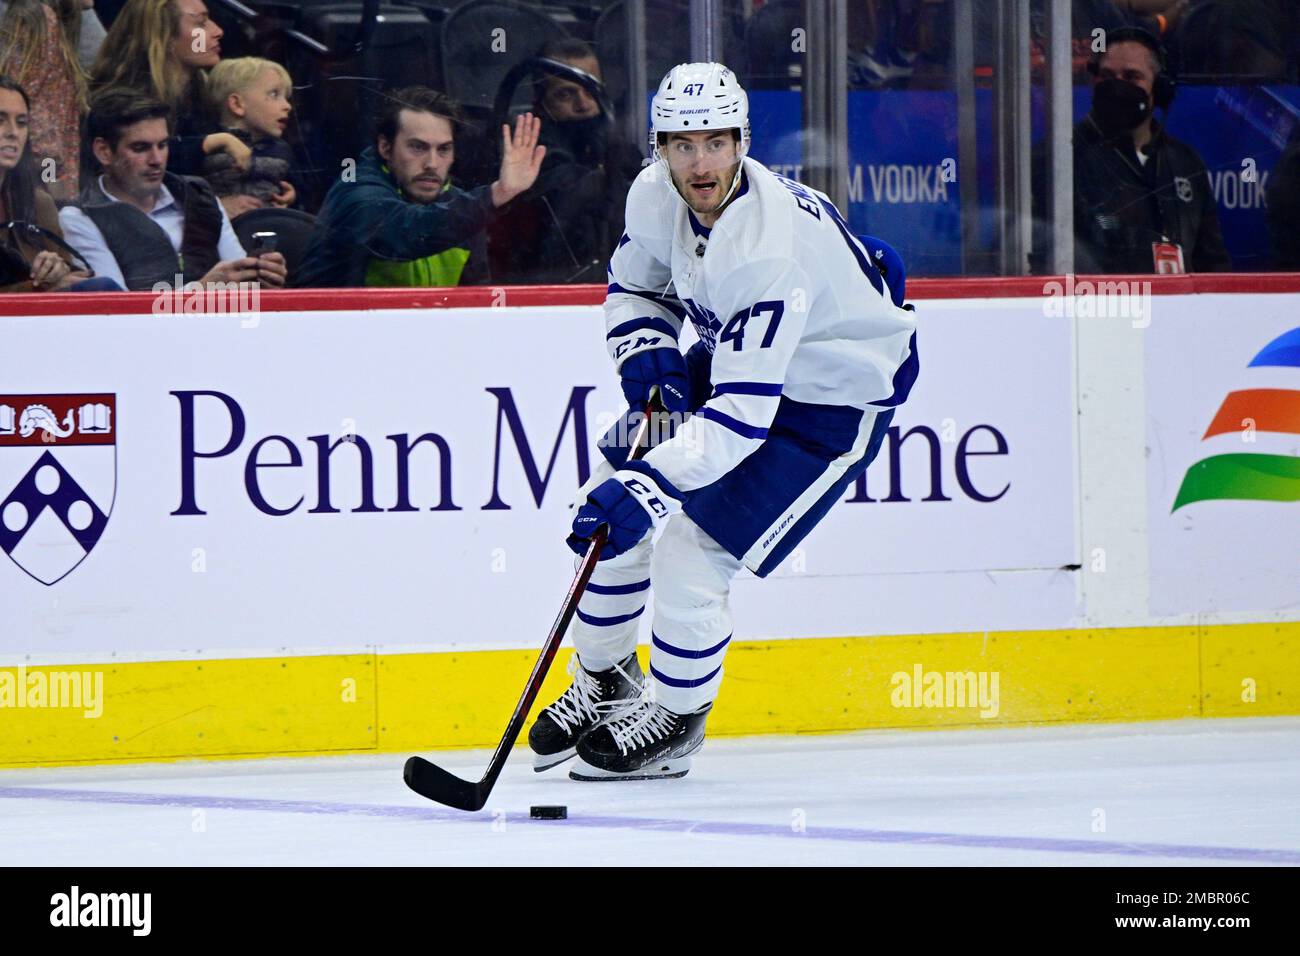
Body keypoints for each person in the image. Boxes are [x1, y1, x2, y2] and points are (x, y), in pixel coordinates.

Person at [528, 62, 919, 781]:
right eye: (682, 144)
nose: (699, 162)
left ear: (743, 141)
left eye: (715, 141)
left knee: (689, 550)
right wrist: (644, 346)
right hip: (739, 364)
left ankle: (676, 719)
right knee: (603, 493)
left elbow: (740, 423)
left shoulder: (765, 249)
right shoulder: (653, 196)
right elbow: (635, 286)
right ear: (659, 149)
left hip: (829, 402)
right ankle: (608, 678)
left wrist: (649, 490)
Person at [294, 86, 544, 289]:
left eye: (443, 149)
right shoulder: (356, 194)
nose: (432, 164)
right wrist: (497, 194)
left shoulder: (464, 207)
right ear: (385, 148)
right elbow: (409, 232)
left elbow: (475, 296)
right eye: (417, 147)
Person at [1031, 24, 1230, 273]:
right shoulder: (1059, 157)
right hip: (1094, 305)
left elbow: (1212, 264)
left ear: (1158, 89)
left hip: (1178, 309)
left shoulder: (1185, 161)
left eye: (1131, 76)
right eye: (1107, 76)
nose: (1117, 85)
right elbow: (1039, 260)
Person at [59, 87, 285, 291]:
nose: (157, 159)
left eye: (163, 145)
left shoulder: (199, 194)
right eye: (140, 148)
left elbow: (242, 285)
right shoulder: (80, 217)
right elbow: (116, 311)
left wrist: (260, 279)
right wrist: (200, 291)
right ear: (104, 151)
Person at [488, 39, 642, 284]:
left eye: (591, 90)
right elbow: (574, 194)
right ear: (541, 101)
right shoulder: (527, 153)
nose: (583, 104)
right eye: (566, 94)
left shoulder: (614, 144)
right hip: (543, 286)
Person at [90, 0, 245, 181]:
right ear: (165, 36)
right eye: (200, 24)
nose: (218, 31)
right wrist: (207, 144)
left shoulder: (201, 96)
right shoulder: (119, 103)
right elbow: (136, 161)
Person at [0, 75, 96, 290]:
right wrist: (36, 288)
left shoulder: (38, 203)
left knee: (100, 286)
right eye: (0, 120)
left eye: (22, 123)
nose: (13, 133)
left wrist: (57, 269)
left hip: (40, 320)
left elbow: (73, 275)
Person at [0, 0, 89, 202]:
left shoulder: (51, 21)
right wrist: (53, 186)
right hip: (39, 176)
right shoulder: (39, 17)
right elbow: (21, 94)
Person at [203, 57, 298, 219]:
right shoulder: (208, 146)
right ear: (237, 105)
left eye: (286, 97)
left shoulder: (282, 150)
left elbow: (296, 189)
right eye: (274, 94)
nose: (287, 106)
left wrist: (292, 197)